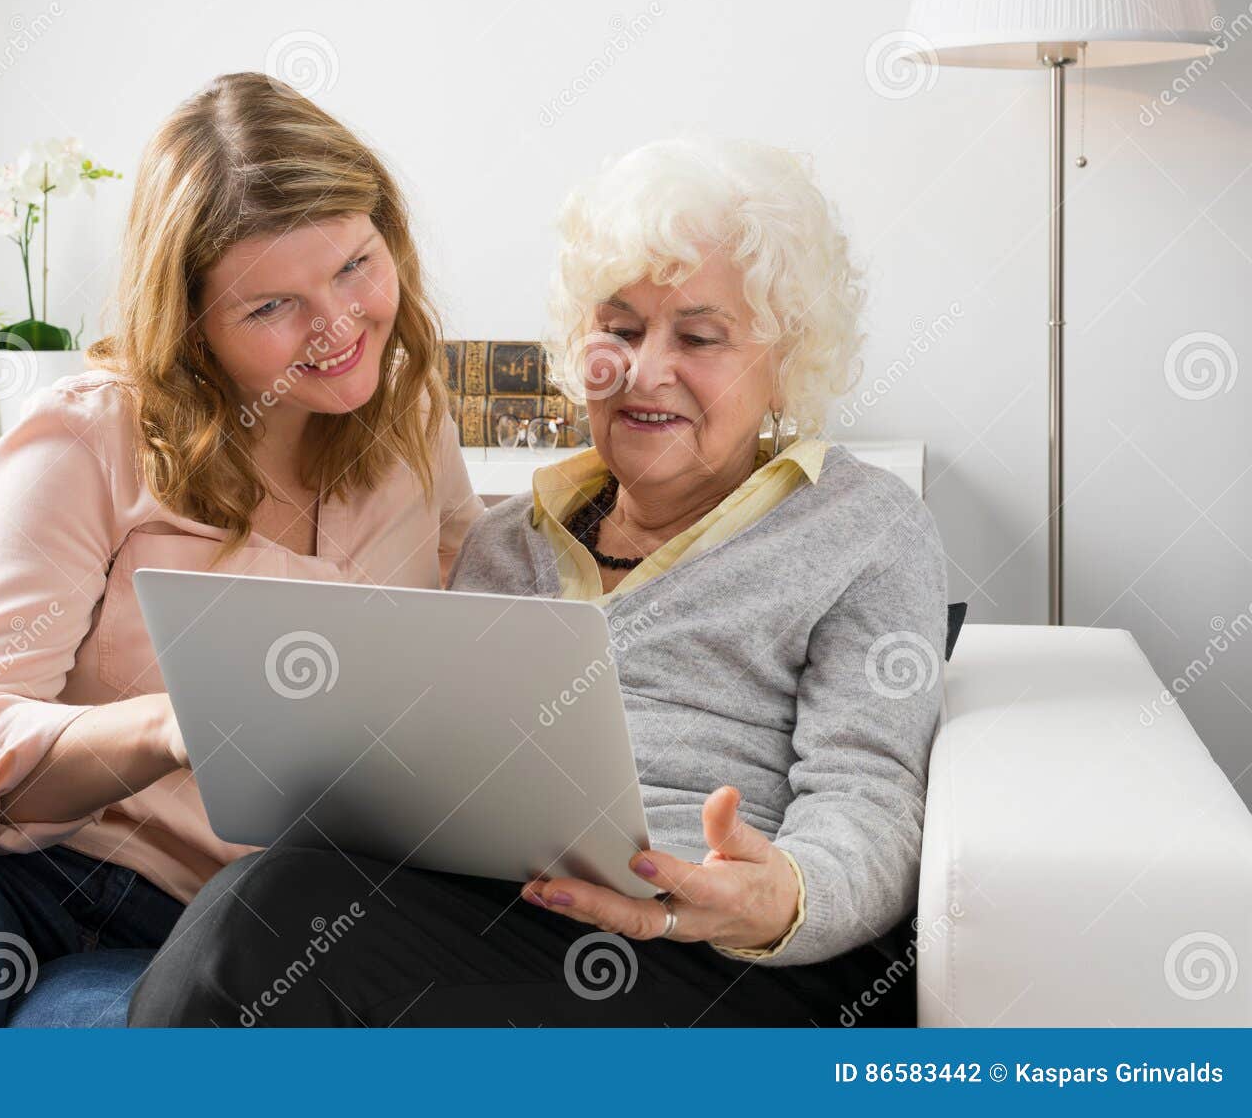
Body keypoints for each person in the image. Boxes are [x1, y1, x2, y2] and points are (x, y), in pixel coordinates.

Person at [127, 138, 948, 1028]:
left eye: (700, 337)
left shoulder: (863, 526)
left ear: (787, 360)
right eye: (621, 330)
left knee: (261, 922)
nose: (644, 370)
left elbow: (872, 797)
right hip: (502, 921)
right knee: (267, 904)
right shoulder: (506, 540)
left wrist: (778, 894)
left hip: (722, 955)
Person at [0, 72, 483, 1027]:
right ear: (194, 322)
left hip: (184, 925)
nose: (336, 327)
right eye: (270, 308)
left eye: (354, 265)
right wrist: (178, 725)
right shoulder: (91, 437)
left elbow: (462, 676)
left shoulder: (417, 431)